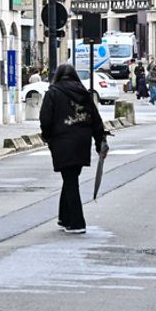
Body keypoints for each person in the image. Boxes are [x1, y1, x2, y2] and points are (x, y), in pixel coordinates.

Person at [40, 64, 108, 234]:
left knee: (70, 180)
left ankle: (77, 222)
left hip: (62, 141)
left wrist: (48, 137)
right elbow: (96, 120)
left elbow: (45, 119)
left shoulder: (53, 93)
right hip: (82, 141)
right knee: (70, 177)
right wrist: (99, 142)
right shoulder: (84, 94)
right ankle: (64, 217)